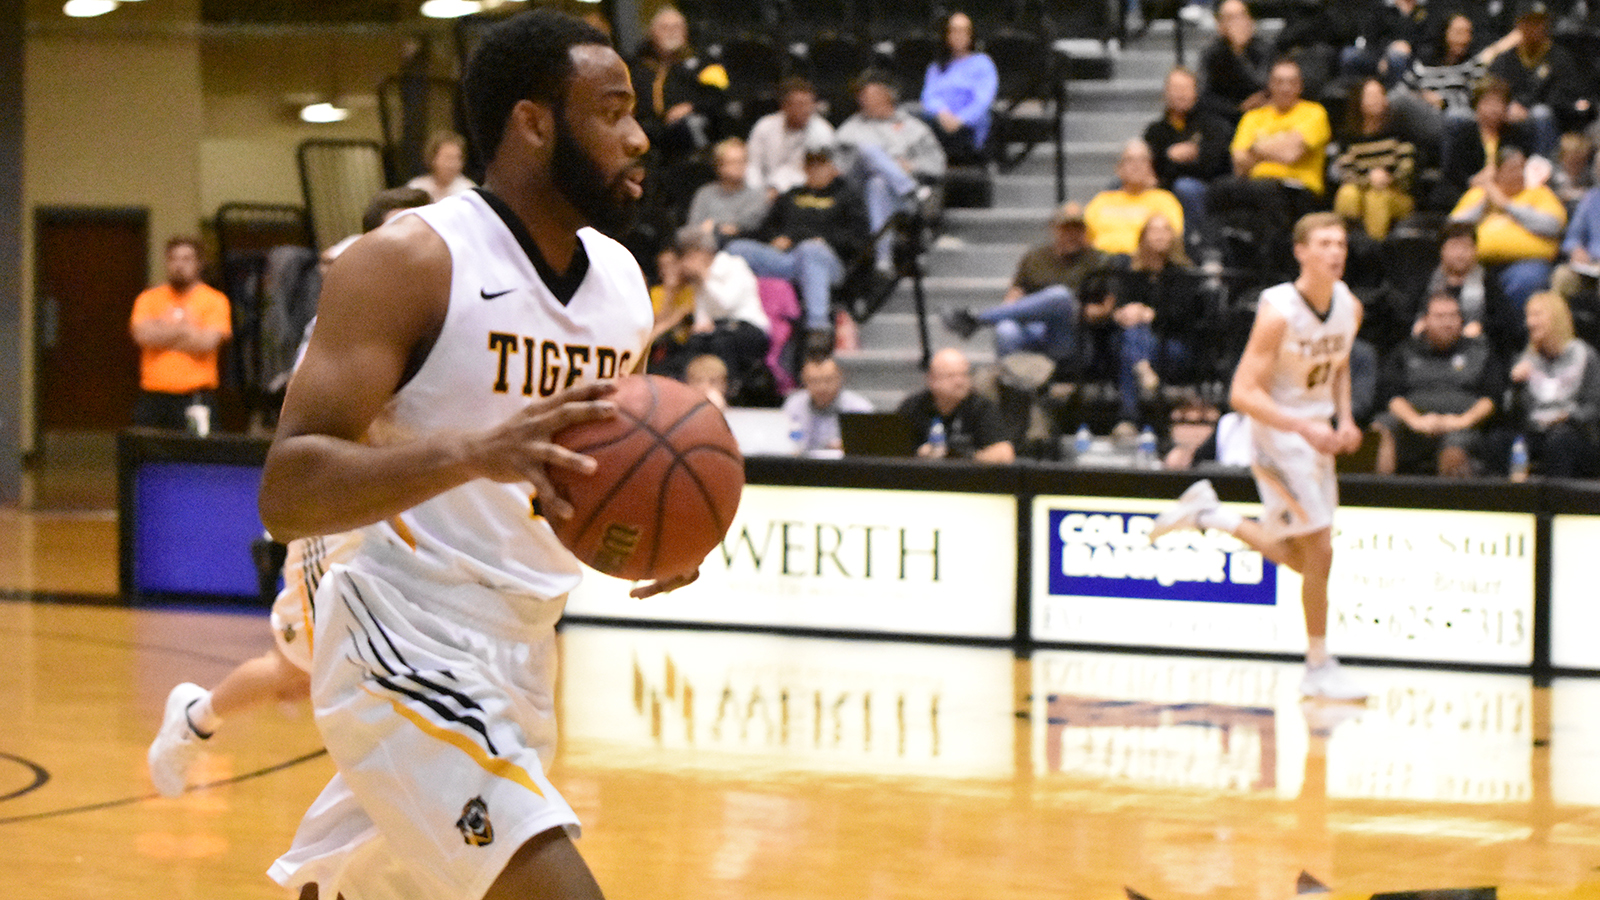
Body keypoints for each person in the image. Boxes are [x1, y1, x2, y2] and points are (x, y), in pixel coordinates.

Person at [257, 12, 692, 900]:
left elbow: (599, 467)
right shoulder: (408, 261)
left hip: (527, 649)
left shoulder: (621, 286)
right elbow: (288, 488)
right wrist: (470, 452)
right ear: (534, 123)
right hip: (401, 632)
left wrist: (661, 528)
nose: (639, 135)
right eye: (612, 111)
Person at [1150, 212, 1368, 702]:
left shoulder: (1349, 305)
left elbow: (1339, 364)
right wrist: (1304, 427)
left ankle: (1210, 514)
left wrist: (1345, 419)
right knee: (1321, 550)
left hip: (1314, 436)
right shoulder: (1277, 312)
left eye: (1341, 243)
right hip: (1277, 435)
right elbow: (1242, 393)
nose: (1336, 251)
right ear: (1301, 251)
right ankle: (1318, 664)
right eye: (1325, 243)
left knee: (1305, 556)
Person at [146, 532, 360, 797]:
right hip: (339, 539)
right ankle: (194, 718)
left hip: (390, 536)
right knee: (294, 671)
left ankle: (195, 717)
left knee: (308, 678)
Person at [942, 202, 1113, 380]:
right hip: (1033, 329)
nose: (1072, 234)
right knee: (1005, 330)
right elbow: (1015, 295)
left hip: (1072, 334)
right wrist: (1013, 311)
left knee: (1060, 296)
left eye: (1077, 229)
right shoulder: (1034, 257)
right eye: (1066, 228)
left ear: (1085, 231)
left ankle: (978, 318)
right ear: (1053, 228)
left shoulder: (1099, 261)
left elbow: (1108, 308)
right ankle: (1014, 391)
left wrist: (1078, 310)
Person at [724, 143, 870, 351]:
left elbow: (858, 239)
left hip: (827, 262)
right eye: (811, 165)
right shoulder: (791, 195)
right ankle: (736, 317)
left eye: (821, 164)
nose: (815, 170)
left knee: (810, 250)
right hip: (786, 259)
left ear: (833, 167)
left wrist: (813, 239)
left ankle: (818, 328)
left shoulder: (847, 195)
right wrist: (775, 238)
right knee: (737, 249)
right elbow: (766, 229)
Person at [1208, 58, 1333, 277]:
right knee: (1218, 188)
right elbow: (1238, 163)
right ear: (1270, 86)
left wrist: (1256, 149)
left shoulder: (1315, 113)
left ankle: (1271, 273)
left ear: (1300, 86)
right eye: (1279, 82)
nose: (1285, 88)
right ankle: (1219, 260)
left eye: (1291, 82)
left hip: (1299, 189)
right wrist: (1279, 146)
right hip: (1255, 185)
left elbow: (1291, 154)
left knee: (1266, 196)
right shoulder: (1253, 117)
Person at [1372, 293, 1505, 476]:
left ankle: (1453, 503)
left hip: (1462, 427)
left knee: (1453, 450)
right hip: (1414, 426)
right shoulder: (1405, 351)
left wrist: (1462, 421)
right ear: (1425, 320)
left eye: (1453, 316)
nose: (1447, 322)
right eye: (1440, 317)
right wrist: (1415, 421)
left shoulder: (1480, 351)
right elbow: (1390, 395)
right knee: (1381, 429)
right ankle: (1380, 498)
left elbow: (1492, 398)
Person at [834, 69, 946, 273]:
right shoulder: (849, 129)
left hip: (893, 198)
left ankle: (883, 261)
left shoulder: (914, 128)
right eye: (862, 97)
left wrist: (912, 166)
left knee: (879, 185)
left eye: (869, 97)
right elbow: (837, 171)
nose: (862, 101)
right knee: (867, 150)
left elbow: (938, 165)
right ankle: (907, 186)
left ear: (887, 97)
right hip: (856, 193)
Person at [1109, 214, 1206, 433]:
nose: (1160, 235)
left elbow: (1186, 317)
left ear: (1173, 237)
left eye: (1165, 230)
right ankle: (1142, 367)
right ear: (1143, 237)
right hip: (1136, 341)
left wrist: (1150, 315)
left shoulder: (1184, 274)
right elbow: (1118, 309)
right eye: (1154, 230)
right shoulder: (1131, 275)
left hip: (1173, 344)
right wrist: (1123, 314)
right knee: (1130, 337)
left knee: (1130, 345)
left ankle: (1128, 418)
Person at [129, 236, 232, 432]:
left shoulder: (215, 301)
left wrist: (161, 331)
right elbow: (142, 336)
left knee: (198, 458)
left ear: (199, 264)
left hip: (196, 399)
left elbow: (206, 343)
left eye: (187, 259)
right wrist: (186, 330)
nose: (179, 265)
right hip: (152, 398)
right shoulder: (148, 299)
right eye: (173, 259)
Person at [1449, 144, 1567, 316]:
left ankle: (1515, 338)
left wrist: (1506, 205)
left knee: (1526, 280)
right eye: (1512, 169)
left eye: (1521, 167)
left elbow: (1552, 225)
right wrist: (1486, 199)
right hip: (1477, 264)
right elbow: (1454, 227)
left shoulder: (1539, 193)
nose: (1519, 173)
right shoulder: (1480, 194)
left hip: (1526, 263)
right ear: (1497, 172)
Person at [660, 224, 771, 401]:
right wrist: (699, 325)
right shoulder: (698, 280)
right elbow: (702, 312)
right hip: (718, 328)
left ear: (704, 251)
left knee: (722, 341)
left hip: (747, 328)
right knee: (694, 342)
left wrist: (705, 276)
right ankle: (687, 398)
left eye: (689, 255)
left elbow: (727, 304)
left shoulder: (734, 265)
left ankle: (727, 397)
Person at [1508, 290, 1600, 477]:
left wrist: (1567, 416)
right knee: (1500, 442)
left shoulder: (1585, 355)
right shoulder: (1525, 360)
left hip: (1576, 432)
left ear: (1556, 318)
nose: (1530, 322)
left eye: (1537, 315)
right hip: (1536, 430)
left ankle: (1559, 503)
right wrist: (1516, 386)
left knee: (1559, 440)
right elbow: (1514, 415)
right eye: (1528, 316)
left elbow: (1594, 407)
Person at [1143, 67, 1233, 252]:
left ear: (1196, 93)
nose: (1181, 94)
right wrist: (1173, 157)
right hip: (1163, 187)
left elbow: (1212, 165)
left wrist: (1171, 162)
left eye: (1186, 88)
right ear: (1166, 94)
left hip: (1205, 188)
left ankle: (1194, 245)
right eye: (1175, 89)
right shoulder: (1155, 131)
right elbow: (1152, 167)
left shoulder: (1213, 125)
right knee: (1118, 184)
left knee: (1185, 187)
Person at [1331, 78, 1416, 241]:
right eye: (1370, 95)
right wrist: (1369, 180)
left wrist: (1389, 179)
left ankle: (1373, 252)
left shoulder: (1400, 131)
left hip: (1396, 194)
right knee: (1347, 194)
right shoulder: (1348, 137)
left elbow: (1408, 169)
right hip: (1361, 188)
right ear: (1359, 101)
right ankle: (1344, 244)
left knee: (1376, 198)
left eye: (1380, 94)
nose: (1376, 99)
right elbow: (1346, 172)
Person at [895, 347, 1015, 463]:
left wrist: (961, 459)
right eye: (951, 376)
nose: (959, 382)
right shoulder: (913, 407)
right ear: (931, 379)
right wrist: (918, 454)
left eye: (964, 374)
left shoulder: (981, 407)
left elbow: (1004, 453)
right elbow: (891, 450)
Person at [915, 11, 997, 164]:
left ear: (971, 35)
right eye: (954, 31)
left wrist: (960, 119)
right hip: (939, 122)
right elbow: (929, 97)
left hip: (968, 126)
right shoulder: (936, 66)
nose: (958, 35)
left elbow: (983, 100)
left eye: (963, 31)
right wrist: (942, 113)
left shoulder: (983, 63)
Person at [1083, 138, 1186, 257]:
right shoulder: (1101, 201)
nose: (1136, 165)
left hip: (1143, 267)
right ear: (1119, 168)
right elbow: (1085, 239)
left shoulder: (1165, 201)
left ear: (1151, 167)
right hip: (1104, 266)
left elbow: (1172, 242)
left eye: (1142, 160)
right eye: (1130, 160)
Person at [744, 77, 835, 199]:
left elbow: (815, 175)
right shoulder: (764, 126)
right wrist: (758, 193)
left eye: (810, 103)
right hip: (762, 191)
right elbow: (753, 164)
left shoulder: (823, 132)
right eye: (800, 104)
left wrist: (777, 190)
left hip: (801, 194)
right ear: (784, 106)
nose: (806, 109)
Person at [781, 352, 873, 454]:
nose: (822, 387)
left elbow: (868, 448)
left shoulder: (859, 408)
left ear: (840, 378)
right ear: (804, 381)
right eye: (814, 381)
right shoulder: (794, 404)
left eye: (828, 380)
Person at [684, 137, 769, 245]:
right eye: (733, 162)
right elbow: (693, 227)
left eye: (743, 161)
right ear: (719, 166)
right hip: (703, 248)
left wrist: (713, 226)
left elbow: (744, 227)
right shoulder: (705, 193)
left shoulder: (758, 195)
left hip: (739, 248)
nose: (739, 166)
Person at [1196, 0, 1271, 122]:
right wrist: (1238, 109)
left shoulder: (1264, 48)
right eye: (1231, 18)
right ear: (1220, 25)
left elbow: (1262, 83)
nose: (1238, 22)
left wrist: (1240, 53)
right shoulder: (1211, 53)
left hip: (1262, 115)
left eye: (1242, 15)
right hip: (1225, 117)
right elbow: (1204, 96)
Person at [405, 130, 476, 201]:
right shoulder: (417, 188)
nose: (451, 165)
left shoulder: (469, 191)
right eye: (447, 158)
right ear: (432, 158)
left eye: (457, 158)